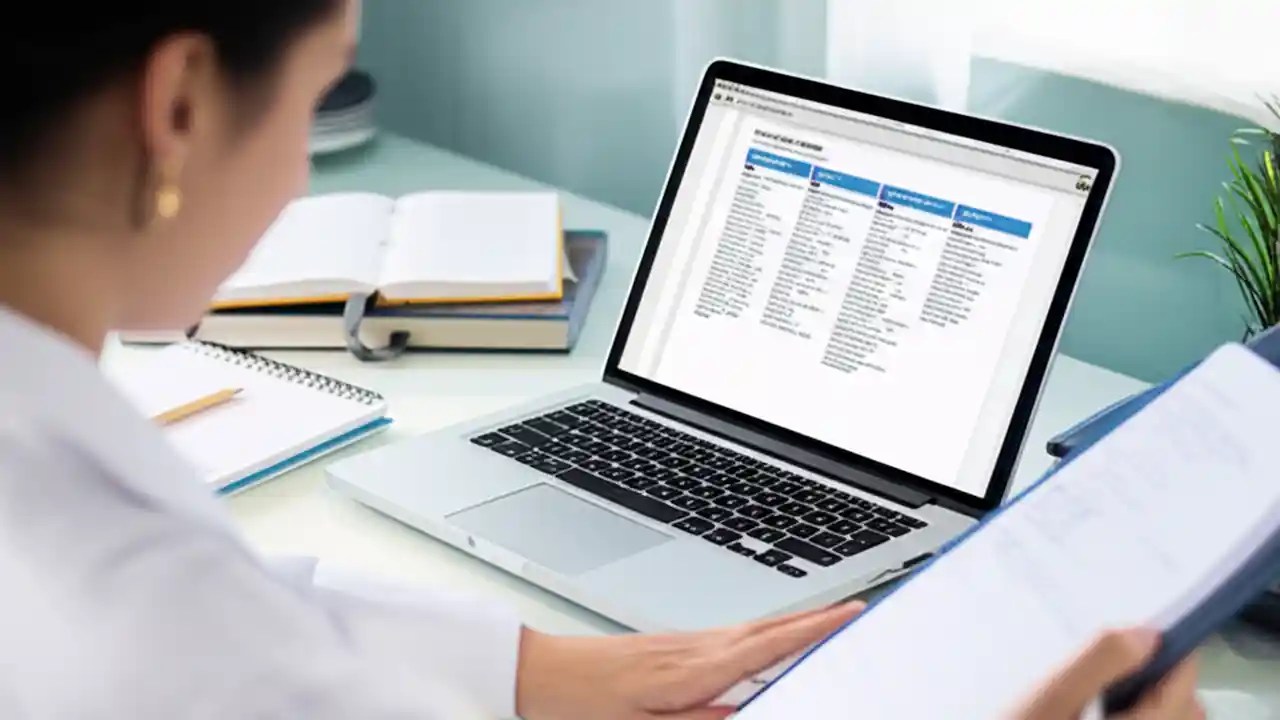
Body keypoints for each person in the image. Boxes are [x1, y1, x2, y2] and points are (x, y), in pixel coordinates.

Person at [0, 2, 1204, 718]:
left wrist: (535, 669)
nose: (298, 175)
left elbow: (259, 608)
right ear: (178, 105)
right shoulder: (159, 626)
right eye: (317, 94)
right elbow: (229, 650)